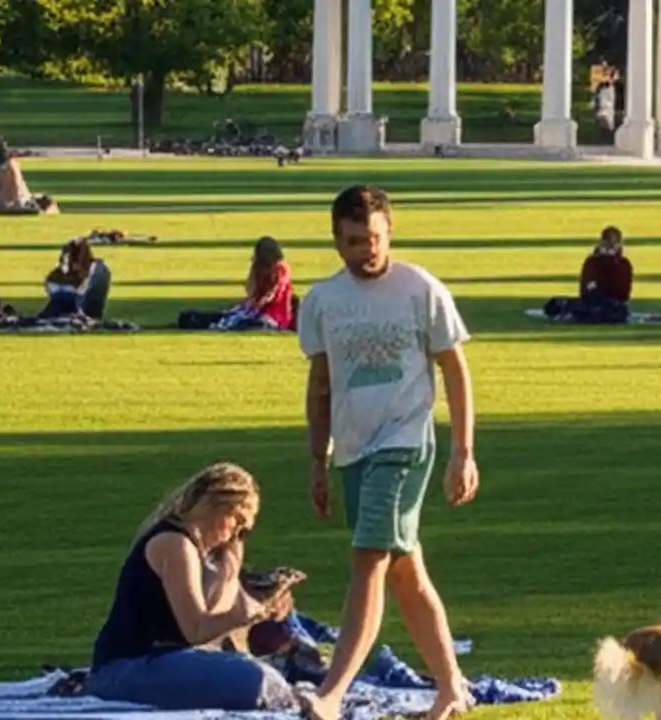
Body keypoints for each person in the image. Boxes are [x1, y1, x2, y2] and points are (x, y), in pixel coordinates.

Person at [296, 185, 479, 720]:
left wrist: (462, 452)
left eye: (374, 238)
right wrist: (317, 458)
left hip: (404, 443)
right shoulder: (323, 301)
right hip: (354, 450)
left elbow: (454, 370)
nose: (366, 250)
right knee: (405, 571)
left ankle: (331, 693)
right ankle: (450, 689)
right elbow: (321, 385)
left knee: (368, 560)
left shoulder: (420, 288)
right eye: (354, 241)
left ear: (389, 233)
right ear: (336, 242)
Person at [85, 462, 294, 711]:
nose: (235, 536)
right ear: (214, 507)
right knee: (252, 679)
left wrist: (263, 605)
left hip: (173, 659)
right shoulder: (175, 545)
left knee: (287, 638)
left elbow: (218, 621)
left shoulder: (212, 552)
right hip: (130, 667)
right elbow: (196, 630)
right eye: (236, 522)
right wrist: (241, 615)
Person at [214, 236, 296, 331]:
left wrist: (256, 304)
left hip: (274, 316)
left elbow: (271, 294)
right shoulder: (263, 269)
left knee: (245, 323)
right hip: (259, 311)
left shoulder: (280, 269)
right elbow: (250, 290)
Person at [41, 237, 112, 321]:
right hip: (73, 307)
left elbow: (86, 294)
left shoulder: (97, 270)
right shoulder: (57, 275)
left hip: (83, 308)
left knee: (63, 299)